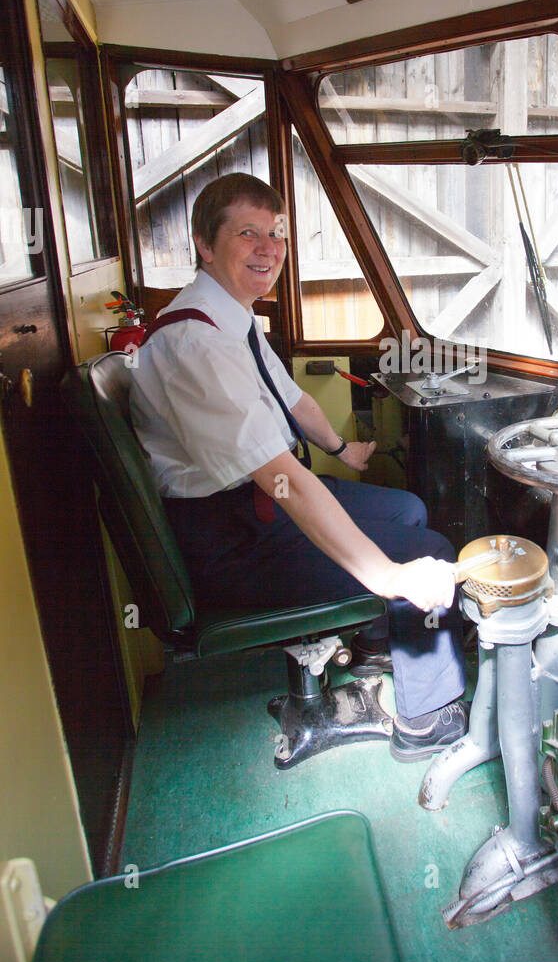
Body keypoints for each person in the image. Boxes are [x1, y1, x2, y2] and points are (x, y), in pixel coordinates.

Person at [129, 173, 467, 761]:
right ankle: (426, 721)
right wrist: (388, 576)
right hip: (229, 540)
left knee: (408, 508)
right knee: (427, 549)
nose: (269, 249)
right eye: (247, 234)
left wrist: (343, 451)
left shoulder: (233, 319)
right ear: (205, 245)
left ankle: (381, 643)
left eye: (277, 235)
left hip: (252, 508)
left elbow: (296, 402)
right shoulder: (195, 344)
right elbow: (281, 482)